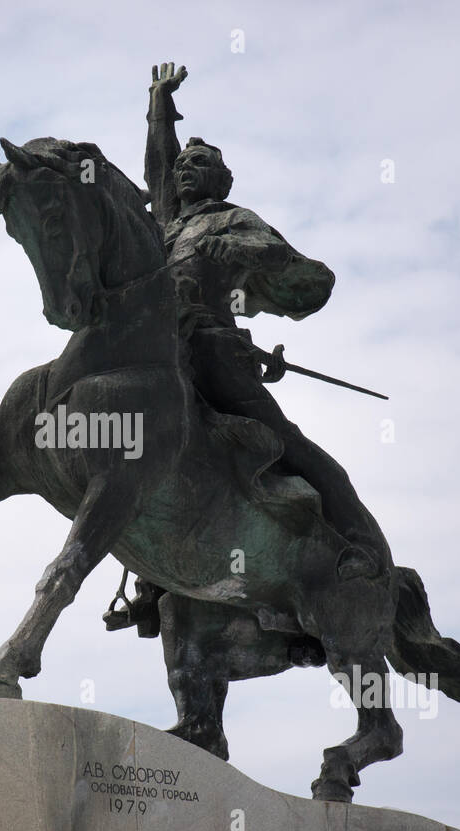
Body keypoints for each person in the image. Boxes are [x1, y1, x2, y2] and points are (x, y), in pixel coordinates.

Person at [105, 63, 386, 636]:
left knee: (287, 445)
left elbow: (300, 273)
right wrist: (159, 105)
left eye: (199, 165)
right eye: (184, 165)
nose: (184, 171)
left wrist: (233, 247)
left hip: (213, 355)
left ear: (222, 182)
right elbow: (157, 165)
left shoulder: (233, 220)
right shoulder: (165, 224)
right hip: (163, 355)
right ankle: (151, 575)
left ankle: (356, 541)